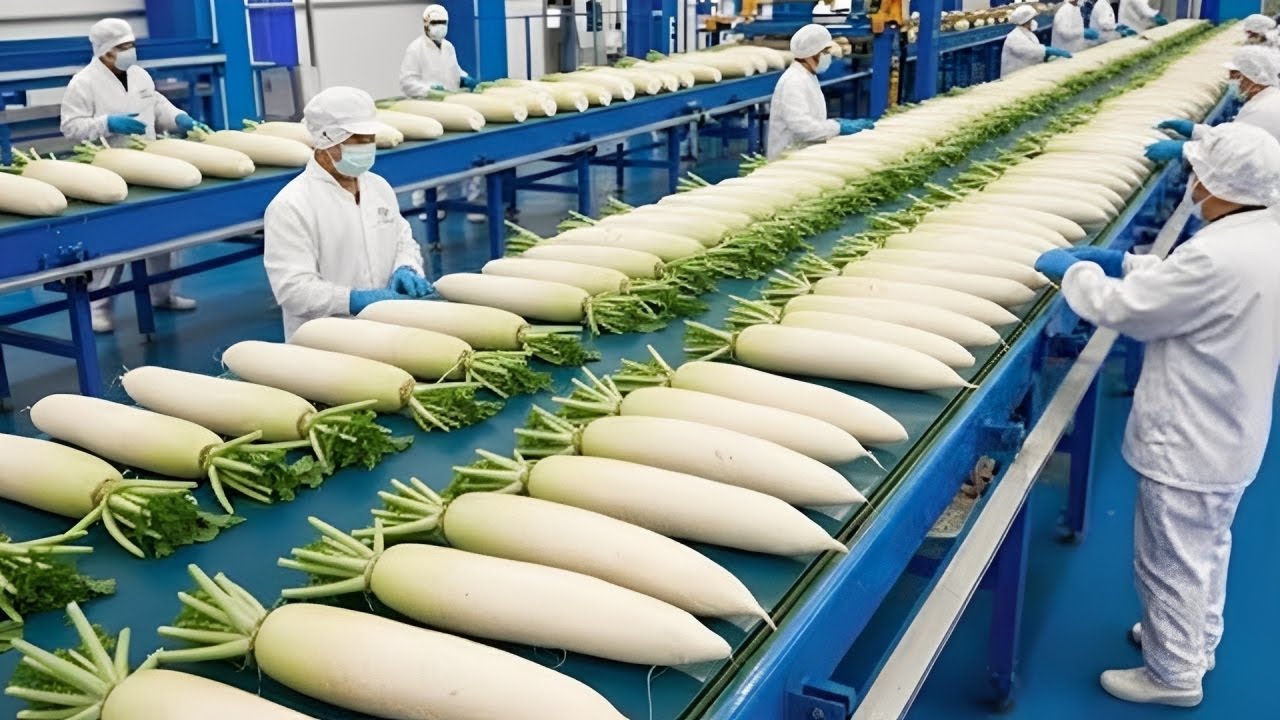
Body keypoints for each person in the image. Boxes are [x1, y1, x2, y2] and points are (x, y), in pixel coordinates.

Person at [1034, 123, 1280, 708]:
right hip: (1232, 428)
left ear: (1223, 188)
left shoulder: (1218, 253)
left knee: (1169, 556)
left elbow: (1132, 311)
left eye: (1200, 174)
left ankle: (1172, 675)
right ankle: (1195, 640)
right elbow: (1186, 286)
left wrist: (1078, 273)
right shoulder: (1263, 238)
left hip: (1190, 436)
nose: (1193, 182)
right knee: (1208, 544)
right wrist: (1128, 260)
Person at [61, 18, 203, 333]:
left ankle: (163, 293)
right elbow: (71, 127)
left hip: (148, 163)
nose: (130, 52)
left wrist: (179, 117)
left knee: (164, 233)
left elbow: (156, 104)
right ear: (104, 51)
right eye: (122, 47)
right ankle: (99, 306)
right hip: (110, 168)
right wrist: (108, 123)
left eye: (131, 45)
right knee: (116, 241)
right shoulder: (83, 83)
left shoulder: (139, 74)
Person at [263, 86, 430, 341]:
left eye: (370, 138)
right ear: (326, 140)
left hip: (390, 331)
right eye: (358, 140)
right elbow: (293, 290)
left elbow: (403, 240)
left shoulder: (378, 187)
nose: (367, 146)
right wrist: (352, 300)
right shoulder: (291, 205)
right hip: (327, 344)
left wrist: (406, 267)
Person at [400, 4, 483, 222]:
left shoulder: (448, 47)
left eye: (443, 24)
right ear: (426, 24)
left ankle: (471, 201)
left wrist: (465, 78)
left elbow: (455, 71)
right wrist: (428, 90)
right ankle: (426, 204)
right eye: (436, 23)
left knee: (467, 151)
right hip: (427, 109)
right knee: (431, 159)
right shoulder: (415, 49)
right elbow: (407, 82)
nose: (440, 28)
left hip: (451, 106)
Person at [1146, 46, 1280, 163]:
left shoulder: (1264, 110)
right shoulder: (1262, 100)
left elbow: (1234, 151)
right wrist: (1195, 130)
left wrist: (1186, 149)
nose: (1232, 81)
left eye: (1237, 76)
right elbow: (1233, 136)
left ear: (1255, 79)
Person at [766, 24, 873, 160]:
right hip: (789, 159)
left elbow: (810, 120)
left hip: (802, 156)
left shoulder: (807, 76)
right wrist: (838, 127)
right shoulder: (794, 81)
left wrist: (835, 123)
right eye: (825, 52)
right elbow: (803, 127)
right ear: (813, 54)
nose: (828, 57)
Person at [1002, 5, 1073, 77]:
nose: (1033, 21)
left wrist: (1048, 56)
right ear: (1026, 21)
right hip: (1014, 75)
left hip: (1025, 72)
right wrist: (1048, 50)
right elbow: (1032, 51)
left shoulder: (1028, 34)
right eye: (1031, 19)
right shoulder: (1014, 37)